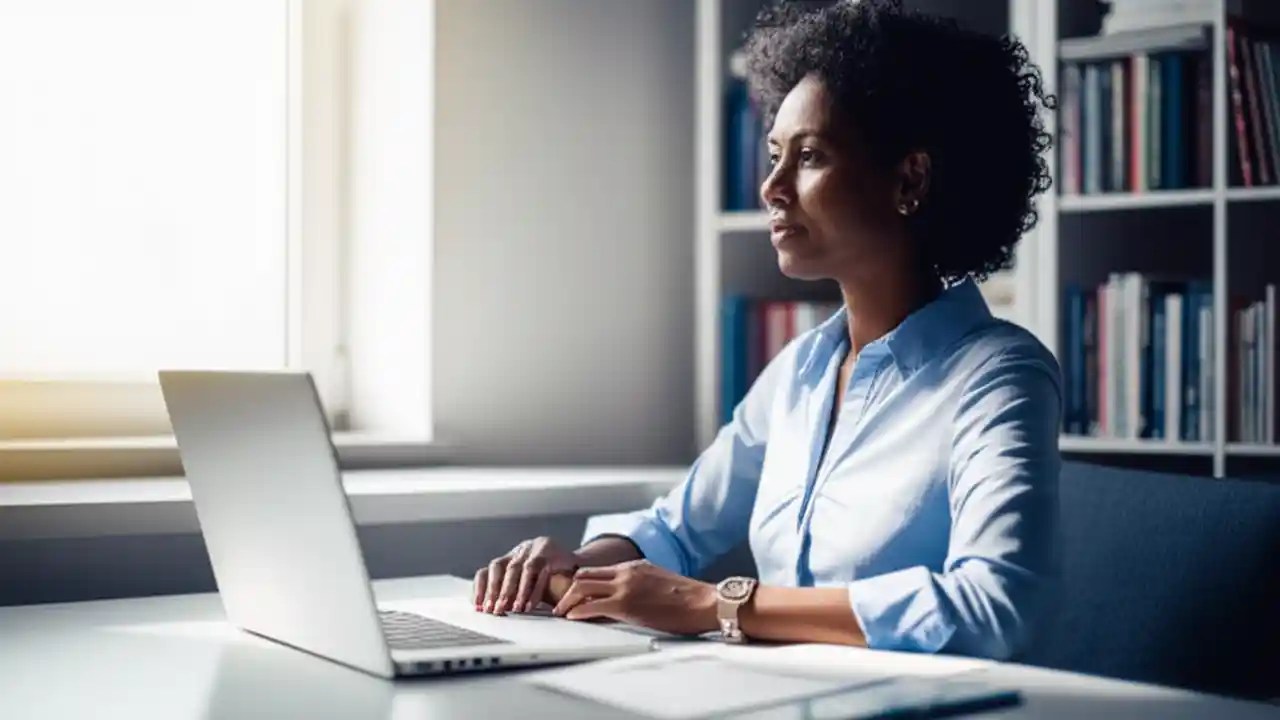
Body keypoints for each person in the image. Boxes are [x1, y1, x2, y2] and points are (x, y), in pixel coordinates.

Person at [473, 0, 1060, 660]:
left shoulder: (999, 376)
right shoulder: (801, 369)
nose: (772, 187)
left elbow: (995, 605)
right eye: (774, 154)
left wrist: (713, 603)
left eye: (809, 157)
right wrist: (575, 567)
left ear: (909, 178)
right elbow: (677, 527)